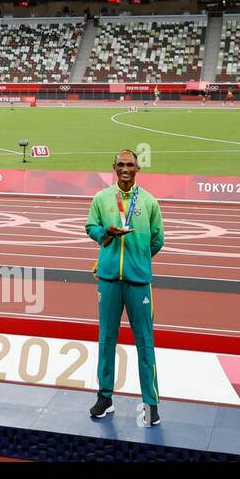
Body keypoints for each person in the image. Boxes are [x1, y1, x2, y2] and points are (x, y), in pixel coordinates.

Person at [85, 149, 165, 425]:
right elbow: (90, 227)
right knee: (106, 339)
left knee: (145, 342)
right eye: (120, 165)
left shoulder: (150, 202)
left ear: (138, 168)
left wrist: (137, 259)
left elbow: (157, 240)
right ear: (114, 167)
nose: (125, 169)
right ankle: (105, 397)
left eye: (130, 164)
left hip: (138, 282)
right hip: (108, 280)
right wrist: (105, 234)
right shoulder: (101, 198)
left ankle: (151, 403)